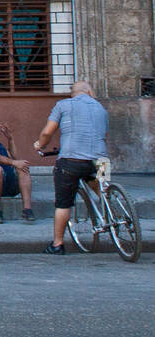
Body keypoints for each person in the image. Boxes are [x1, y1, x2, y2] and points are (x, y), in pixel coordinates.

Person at [35, 81, 107, 255]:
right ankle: (113, 215)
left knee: (63, 203)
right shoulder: (101, 109)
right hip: (102, 160)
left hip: (71, 160)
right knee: (103, 188)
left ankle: (57, 244)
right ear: (90, 92)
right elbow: (103, 134)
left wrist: (40, 145)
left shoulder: (63, 105)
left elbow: (47, 132)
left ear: (72, 94)